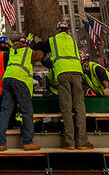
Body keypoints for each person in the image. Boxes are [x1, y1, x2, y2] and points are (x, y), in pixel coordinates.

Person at [32, 21, 90, 150]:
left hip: (62, 74)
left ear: (58, 30)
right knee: (80, 107)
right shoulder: (73, 41)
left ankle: (69, 141)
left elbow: (41, 46)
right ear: (67, 30)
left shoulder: (53, 40)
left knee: (66, 108)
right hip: (77, 73)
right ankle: (82, 141)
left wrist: (34, 40)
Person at [0, 36, 43, 152]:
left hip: (7, 79)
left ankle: (1, 144)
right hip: (20, 80)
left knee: (5, 111)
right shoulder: (28, 51)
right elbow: (40, 55)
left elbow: (14, 40)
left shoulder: (12, 50)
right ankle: (28, 142)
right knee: (27, 111)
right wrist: (40, 43)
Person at [82, 52, 109, 122]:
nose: (82, 66)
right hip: (106, 99)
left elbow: (103, 77)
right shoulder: (85, 75)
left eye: (83, 63)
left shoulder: (95, 68)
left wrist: (107, 89)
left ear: (87, 61)